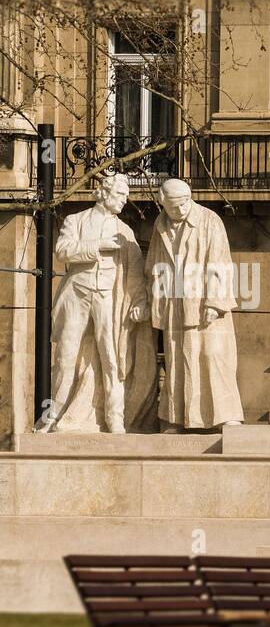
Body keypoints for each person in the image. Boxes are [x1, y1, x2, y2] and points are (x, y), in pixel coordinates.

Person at [37, 174, 150, 434]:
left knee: (111, 358)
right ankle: (52, 416)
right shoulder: (76, 220)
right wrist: (97, 245)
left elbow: (135, 271)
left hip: (107, 297)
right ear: (105, 193)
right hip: (76, 293)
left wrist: (140, 301)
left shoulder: (125, 232)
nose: (125, 200)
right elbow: (62, 250)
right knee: (65, 357)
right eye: (121, 195)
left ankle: (115, 418)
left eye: (126, 196)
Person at [146, 178, 244, 430]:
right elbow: (153, 266)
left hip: (205, 303)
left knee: (214, 356)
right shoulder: (160, 225)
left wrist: (214, 302)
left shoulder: (210, 220)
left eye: (183, 203)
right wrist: (155, 299)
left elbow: (220, 262)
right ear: (163, 203)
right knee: (178, 359)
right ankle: (177, 417)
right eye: (173, 206)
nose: (179, 210)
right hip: (174, 303)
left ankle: (226, 414)